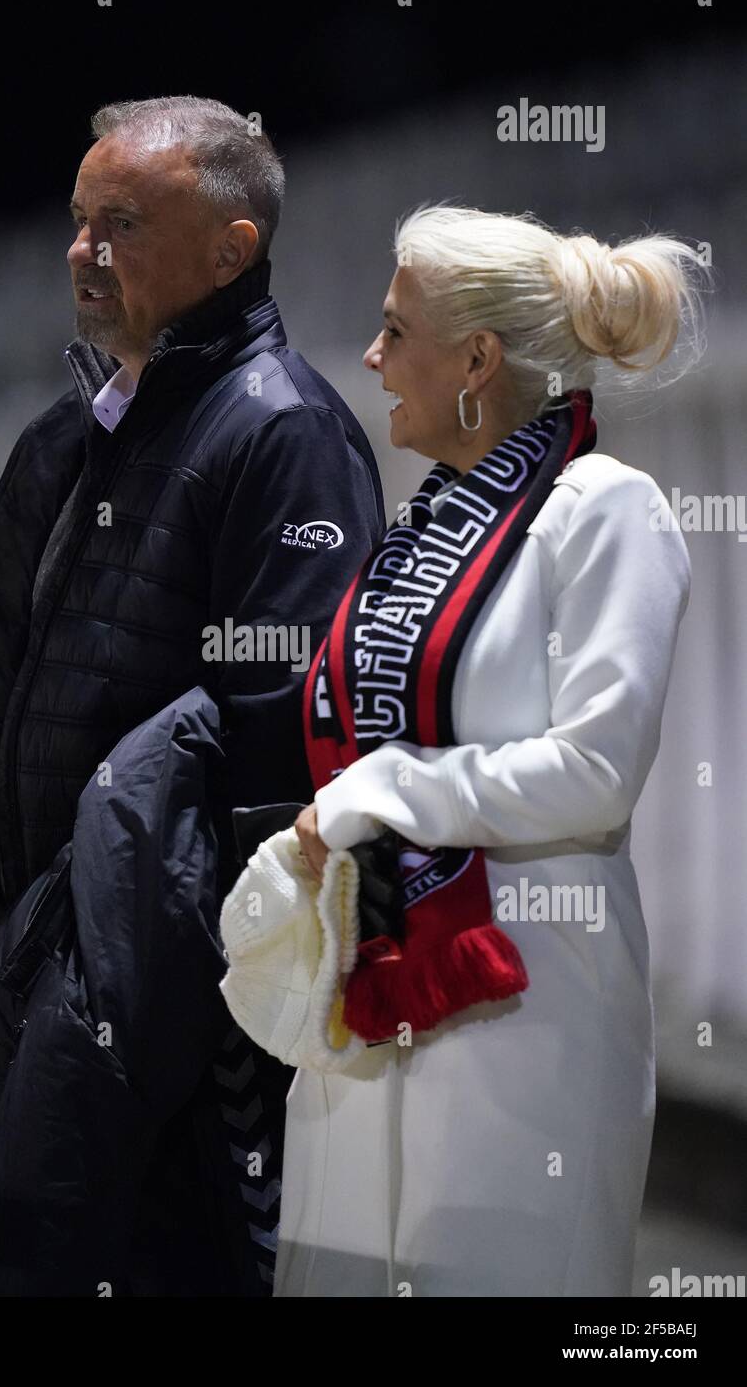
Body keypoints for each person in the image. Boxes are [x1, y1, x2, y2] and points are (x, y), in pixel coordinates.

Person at [0, 95, 385, 1295]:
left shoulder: (286, 435)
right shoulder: (64, 436)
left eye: (120, 222)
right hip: (37, 976)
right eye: (80, 221)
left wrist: (206, 1013)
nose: (84, 250)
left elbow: (278, 747)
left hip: (171, 1019)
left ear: (230, 250)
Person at [285, 204, 706, 1296]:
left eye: (394, 330)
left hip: (528, 1012)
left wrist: (390, 789)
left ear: (476, 359)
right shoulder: (425, 522)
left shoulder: (605, 509)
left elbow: (597, 769)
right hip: (375, 983)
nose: (371, 355)